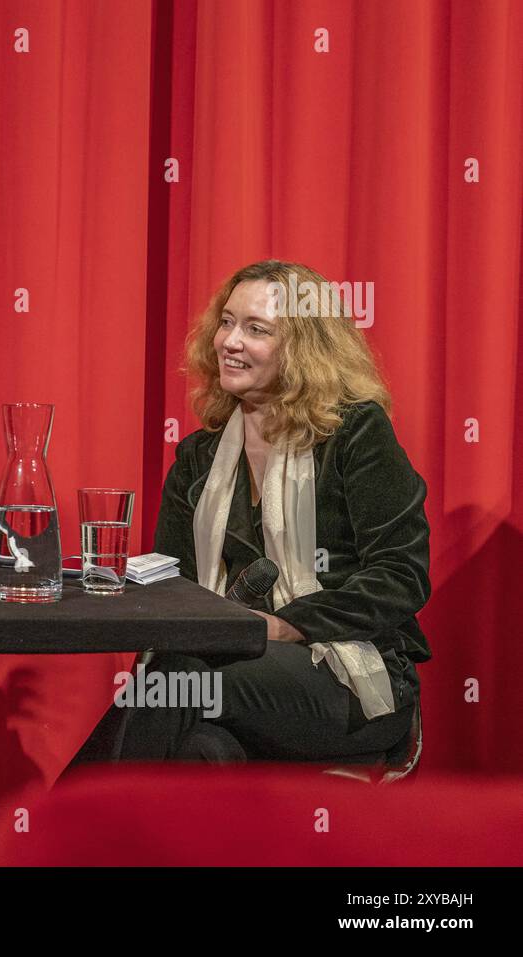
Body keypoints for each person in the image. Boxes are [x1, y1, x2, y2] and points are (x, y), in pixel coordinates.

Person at [65, 260, 430, 767]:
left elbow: (399, 577)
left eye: (256, 329)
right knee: (203, 752)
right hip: (232, 667)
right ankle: (109, 839)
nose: (229, 342)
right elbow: (178, 586)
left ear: (305, 349)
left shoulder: (355, 433)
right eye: (227, 321)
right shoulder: (197, 457)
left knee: (179, 680)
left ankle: (59, 836)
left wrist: (285, 626)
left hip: (350, 675)